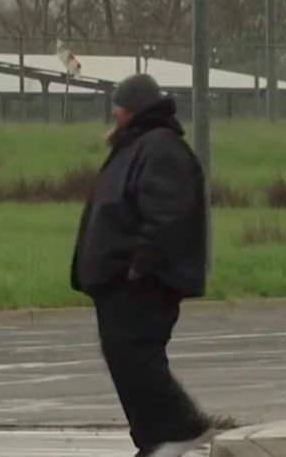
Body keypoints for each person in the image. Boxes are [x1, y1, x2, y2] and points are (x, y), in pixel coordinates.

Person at [71, 74, 214, 457]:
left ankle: (180, 427)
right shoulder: (137, 145)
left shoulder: (161, 148)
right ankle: (155, 437)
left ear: (133, 109)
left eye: (118, 105)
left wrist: (140, 264)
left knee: (136, 356)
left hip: (141, 283)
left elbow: (167, 213)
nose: (113, 112)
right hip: (118, 281)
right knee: (128, 357)